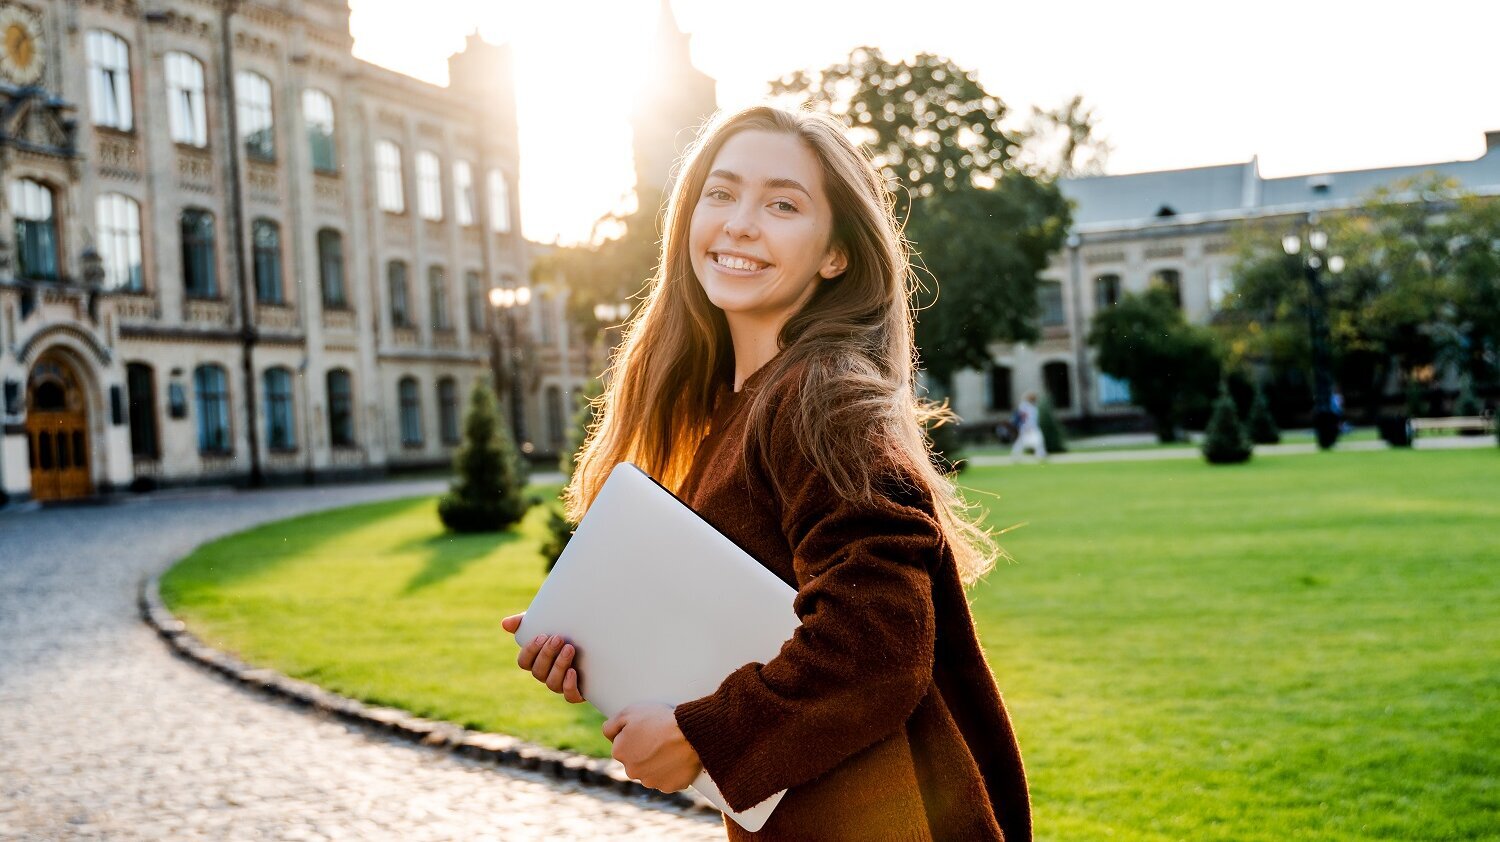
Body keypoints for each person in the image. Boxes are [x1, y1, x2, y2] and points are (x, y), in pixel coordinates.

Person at [500, 104, 1030, 841]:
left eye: (783, 203)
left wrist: (699, 734)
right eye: (721, 193)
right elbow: (749, 622)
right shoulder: (743, 404)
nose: (741, 222)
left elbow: (877, 642)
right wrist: (612, 650)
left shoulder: (825, 395)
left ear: (835, 254)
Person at [1010, 392, 1046, 461]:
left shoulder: (1032, 406)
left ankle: (1040, 454)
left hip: (1033, 426)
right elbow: (1023, 417)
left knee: (1038, 440)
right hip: (1027, 427)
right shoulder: (1024, 406)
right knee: (1022, 441)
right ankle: (1015, 455)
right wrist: (1026, 426)